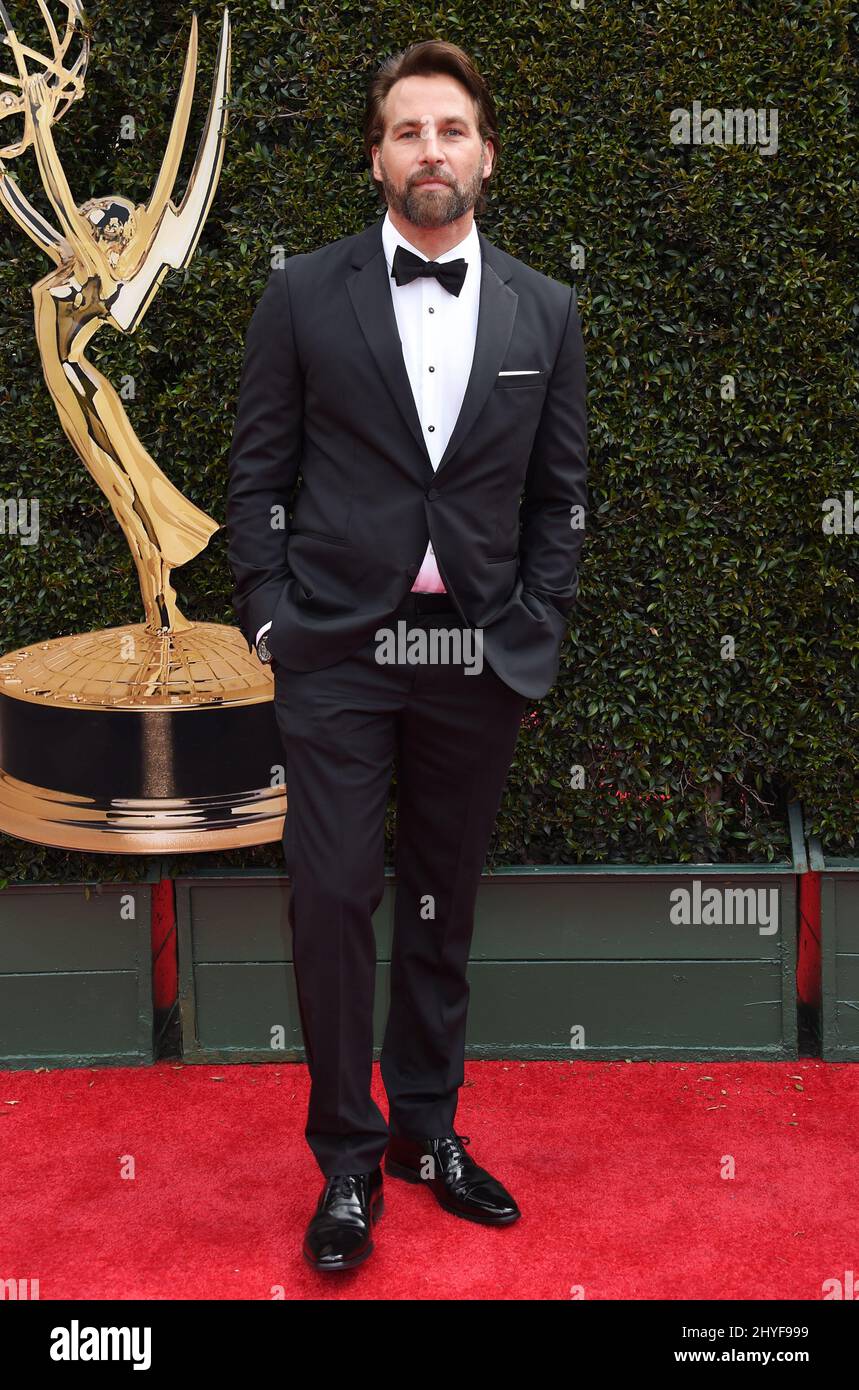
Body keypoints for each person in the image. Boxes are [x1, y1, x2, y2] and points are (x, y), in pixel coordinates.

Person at [226, 38, 588, 1272]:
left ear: (486, 153)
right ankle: (345, 1158)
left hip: (473, 653)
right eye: (406, 131)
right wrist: (268, 615)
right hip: (336, 649)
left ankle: (426, 1133)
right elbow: (257, 475)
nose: (430, 150)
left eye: (450, 129)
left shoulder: (547, 310)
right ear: (376, 157)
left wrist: (535, 620)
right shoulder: (301, 296)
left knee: (442, 895)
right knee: (332, 892)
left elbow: (558, 497)